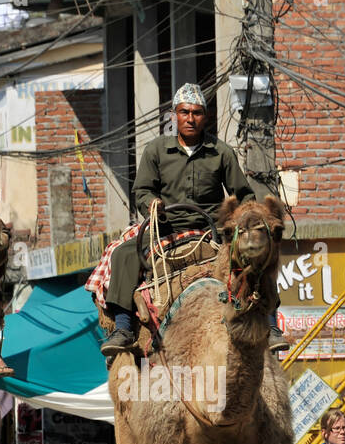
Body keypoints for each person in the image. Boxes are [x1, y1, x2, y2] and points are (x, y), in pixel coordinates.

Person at [99, 83, 288, 356]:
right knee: (123, 254)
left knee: (258, 252)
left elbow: (243, 194)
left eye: (197, 112)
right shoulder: (156, 150)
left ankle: (270, 324)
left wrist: (243, 218)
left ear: (205, 116)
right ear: (174, 115)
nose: (191, 118)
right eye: (184, 112)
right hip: (166, 226)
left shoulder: (221, 152)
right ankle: (124, 328)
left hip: (209, 229)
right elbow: (141, 190)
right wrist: (152, 203)